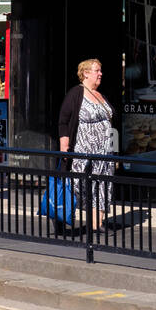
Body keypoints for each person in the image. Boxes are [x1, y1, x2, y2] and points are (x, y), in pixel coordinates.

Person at [58, 59, 114, 228]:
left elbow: (111, 125)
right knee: (81, 187)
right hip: (84, 152)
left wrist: (114, 151)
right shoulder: (76, 93)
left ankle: (96, 224)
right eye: (97, 70)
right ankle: (63, 216)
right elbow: (63, 121)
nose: (100, 74)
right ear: (86, 73)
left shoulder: (101, 95)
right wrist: (64, 147)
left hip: (105, 154)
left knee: (103, 187)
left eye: (100, 70)